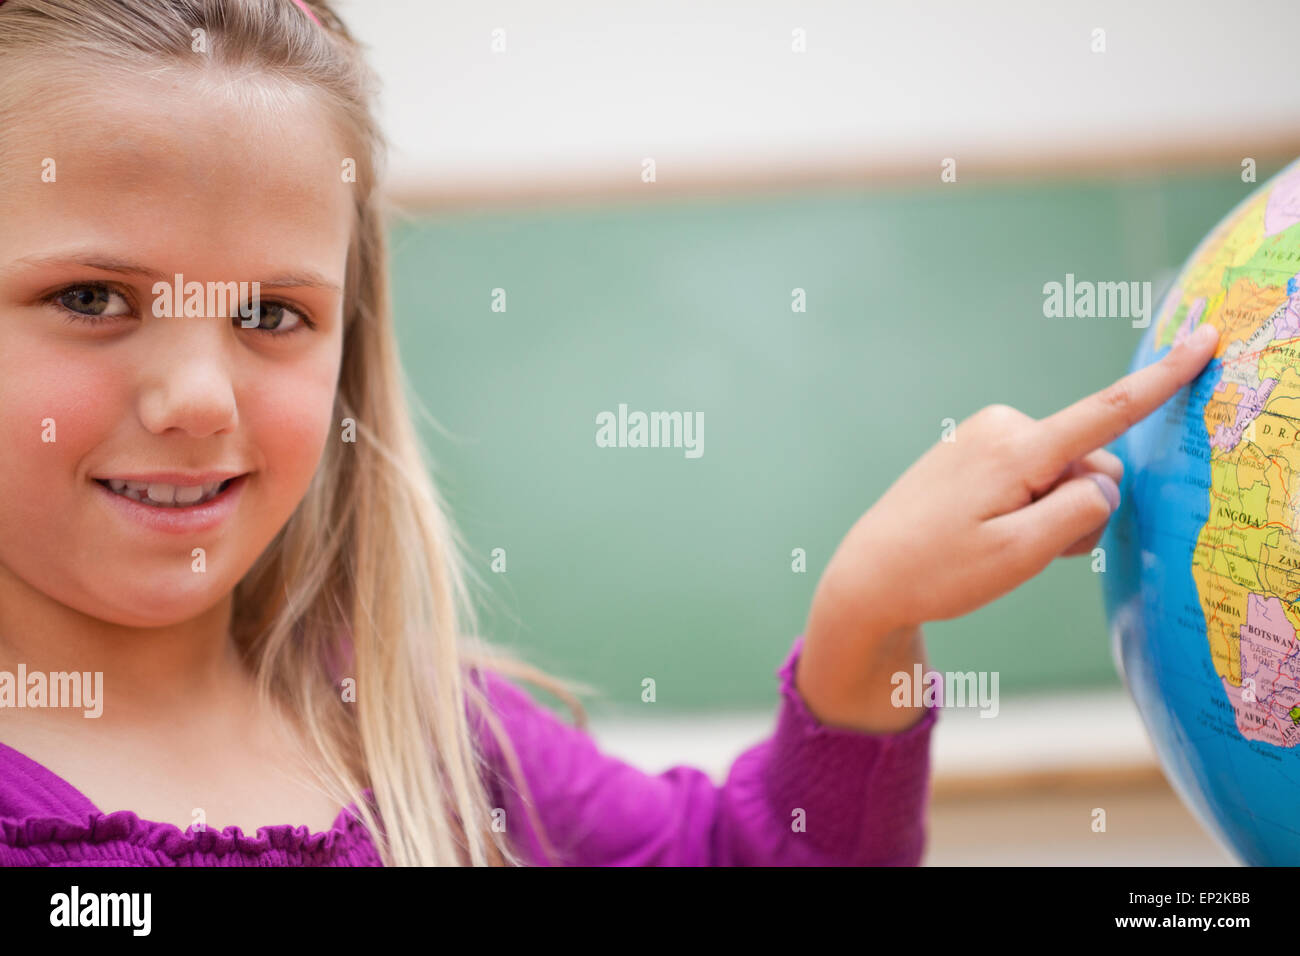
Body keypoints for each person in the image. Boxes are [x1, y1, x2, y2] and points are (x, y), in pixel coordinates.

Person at [0, 0, 1221, 866]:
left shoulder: (427, 728)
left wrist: (866, 618)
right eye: (91, 298)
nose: (200, 398)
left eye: (273, 313)